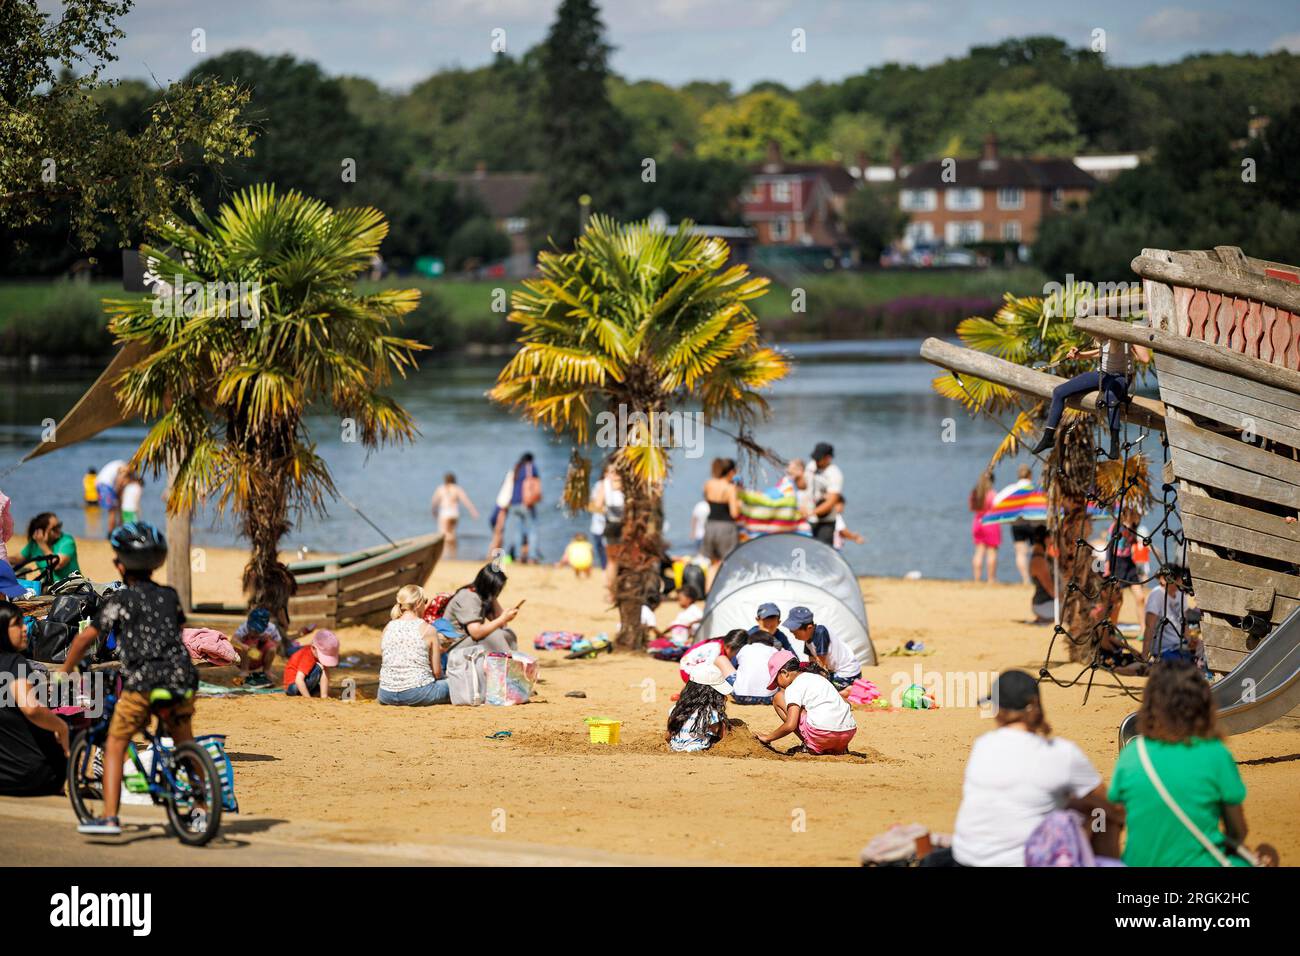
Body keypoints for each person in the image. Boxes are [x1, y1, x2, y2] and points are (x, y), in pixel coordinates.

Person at [59, 522, 201, 835]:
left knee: (116, 743)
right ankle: (202, 809)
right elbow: (173, 631)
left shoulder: (118, 601)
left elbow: (87, 640)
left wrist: (65, 670)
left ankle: (109, 817)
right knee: (184, 742)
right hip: (181, 679)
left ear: (120, 565)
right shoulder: (169, 596)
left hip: (142, 683)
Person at [1109, 659, 1278, 867]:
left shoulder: (1133, 754)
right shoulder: (1215, 754)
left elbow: (1114, 822)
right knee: (1268, 855)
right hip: (1201, 863)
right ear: (1202, 704)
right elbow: (1238, 832)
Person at [942, 670, 1120, 867]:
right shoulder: (1062, 753)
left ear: (999, 711)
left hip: (966, 859)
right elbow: (1113, 806)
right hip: (1023, 862)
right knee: (1100, 813)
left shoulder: (982, 745)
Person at [1030, 336, 1151, 459]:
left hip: (1121, 377)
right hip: (1102, 374)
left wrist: (1131, 344)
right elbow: (1103, 351)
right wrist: (1080, 355)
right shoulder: (1103, 330)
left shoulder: (1128, 331)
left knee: (1110, 397)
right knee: (1058, 392)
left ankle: (1114, 445)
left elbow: (1145, 359)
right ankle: (1048, 437)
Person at [0, 600, 69, 795]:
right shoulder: (14, 662)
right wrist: (60, 727)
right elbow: (31, 708)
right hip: (31, 776)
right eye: (17, 624)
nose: (24, 629)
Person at [758, 650, 857, 754]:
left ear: (784, 673)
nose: (778, 685)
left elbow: (790, 725)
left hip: (821, 735)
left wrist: (768, 738)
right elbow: (847, 704)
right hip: (847, 734)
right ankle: (837, 748)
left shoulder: (793, 687)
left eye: (776, 681)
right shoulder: (819, 678)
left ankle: (810, 745)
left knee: (778, 698)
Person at [378, 586, 450, 705]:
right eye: (425, 601)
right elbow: (437, 672)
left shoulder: (388, 627)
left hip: (386, 694)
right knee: (452, 684)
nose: (426, 605)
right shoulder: (428, 630)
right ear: (418, 603)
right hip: (417, 693)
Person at [443, 563, 520, 659]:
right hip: (453, 648)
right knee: (494, 635)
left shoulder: (483, 596)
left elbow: (502, 625)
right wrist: (503, 618)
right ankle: (508, 666)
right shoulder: (468, 597)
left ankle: (507, 665)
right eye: (496, 589)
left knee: (507, 634)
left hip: (466, 643)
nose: (498, 591)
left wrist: (493, 598)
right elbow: (476, 633)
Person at [783, 606, 860, 692]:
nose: (793, 633)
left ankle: (848, 691)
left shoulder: (820, 633)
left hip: (847, 672)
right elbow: (812, 663)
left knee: (824, 691)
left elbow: (821, 666)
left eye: (795, 632)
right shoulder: (807, 638)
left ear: (809, 628)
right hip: (833, 672)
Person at [665, 663, 732, 752]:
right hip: (697, 750)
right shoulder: (711, 713)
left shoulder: (676, 709)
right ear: (714, 694)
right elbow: (724, 738)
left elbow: (667, 736)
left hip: (675, 748)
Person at [16, 512, 81, 586]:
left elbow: (57, 564)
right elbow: (19, 559)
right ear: (41, 532)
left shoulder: (67, 541)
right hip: (50, 588)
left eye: (59, 525)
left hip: (72, 587)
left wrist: (42, 544)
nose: (58, 529)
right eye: (54, 528)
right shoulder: (34, 545)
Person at [1144, 565, 1193, 663]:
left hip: (1179, 644)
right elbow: (1149, 627)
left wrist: (1190, 641)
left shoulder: (1180, 594)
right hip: (1164, 649)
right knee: (1184, 666)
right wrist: (1144, 655)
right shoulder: (1157, 594)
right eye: (1179, 578)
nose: (1181, 580)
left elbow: (1185, 622)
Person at [590, 464, 624, 603]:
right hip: (624, 525)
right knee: (622, 560)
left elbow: (597, 504)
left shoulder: (605, 484)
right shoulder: (626, 482)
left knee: (611, 562)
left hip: (611, 524)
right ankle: (619, 590)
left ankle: (612, 594)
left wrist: (606, 509)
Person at [700, 458, 740, 568]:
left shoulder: (708, 484)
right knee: (728, 563)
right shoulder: (730, 488)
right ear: (731, 472)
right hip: (726, 528)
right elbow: (734, 513)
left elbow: (707, 500)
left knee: (712, 565)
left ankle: (709, 585)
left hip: (710, 525)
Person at [431, 472, 478, 560]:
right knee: (452, 534)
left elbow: (434, 502)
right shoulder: (457, 489)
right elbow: (465, 500)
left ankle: (444, 556)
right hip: (454, 514)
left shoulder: (441, 489)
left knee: (444, 535)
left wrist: (434, 511)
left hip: (444, 514)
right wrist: (473, 511)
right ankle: (454, 555)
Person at [727, 627, 778, 706]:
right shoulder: (774, 651)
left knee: (721, 660)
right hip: (769, 698)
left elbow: (733, 665)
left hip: (741, 696)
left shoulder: (744, 648)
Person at [1007, 465, 1041, 585]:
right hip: (1033, 523)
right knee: (1036, 551)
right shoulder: (1035, 488)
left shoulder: (1011, 489)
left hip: (1016, 523)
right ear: (1030, 475)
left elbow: (997, 502)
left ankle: (1025, 579)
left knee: (1020, 553)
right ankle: (1036, 577)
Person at [233, 607, 282, 688]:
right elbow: (233, 640)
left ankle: (267, 670)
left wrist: (269, 641)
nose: (254, 632)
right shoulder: (245, 627)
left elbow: (278, 642)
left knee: (272, 647)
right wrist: (242, 645)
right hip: (245, 658)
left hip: (260, 657)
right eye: (252, 629)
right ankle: (244, 670)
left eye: (257, 630)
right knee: (249, 644)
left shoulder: (271, 628)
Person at [805, 443, 843, 546]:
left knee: (822, 549)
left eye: (819, 459)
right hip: (808, 518)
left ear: (828, 458)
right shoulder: (811, 466)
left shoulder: (834, 474)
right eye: (815, 458)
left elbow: (831, 501)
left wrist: (812, 512)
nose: (816, 461)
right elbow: (805, 487)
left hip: (825, 521)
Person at [283, 629, 339, 699]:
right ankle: (318, 694)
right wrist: (308, 698)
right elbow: (299, 680)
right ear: (313, 648)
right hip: (293, 687)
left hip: (299, 685)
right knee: (320, 667)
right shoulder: (308, 655)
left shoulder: (313, 653)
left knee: (322, 668)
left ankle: (320, 694)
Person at [507, 453, 541, 563]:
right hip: (526, 503)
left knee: (518, 531)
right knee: (532, 530)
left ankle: (517, 557)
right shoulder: (531, 467)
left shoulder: (517, 468)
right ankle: (532, 557)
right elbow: (535, 483)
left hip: (514, 503)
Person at [969, 470, 1000, 583]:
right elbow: (998, 509)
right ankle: (991, 579)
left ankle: (976, 578)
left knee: (979, 551)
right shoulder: (993, 494)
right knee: (992, 552)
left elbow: (972, 508)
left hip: (977, 522)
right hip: (991, 523)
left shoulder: (976, 493)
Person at [1028, 526, 1055, 624]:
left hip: (1043, 603)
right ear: (1046, 539)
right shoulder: (1039, 561)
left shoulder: (1042, 557)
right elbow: (1051, 590)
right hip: (1044, 605)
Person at [94, 459, 130, 532]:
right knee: (112, 511)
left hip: (100, 483)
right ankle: (111, 533)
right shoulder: (125, 467)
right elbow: (120, 481)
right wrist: (118, 495)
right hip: (106, 485)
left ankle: (113, 531)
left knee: (112, 509)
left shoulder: (119, 463)